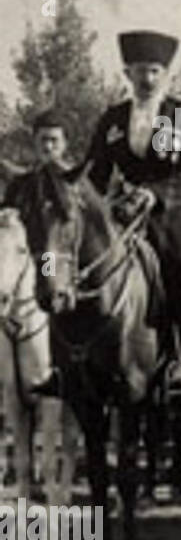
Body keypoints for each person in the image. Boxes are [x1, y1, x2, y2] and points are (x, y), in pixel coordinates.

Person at [83, 29, 181, 395]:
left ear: (165, 75)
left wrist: (155, 194)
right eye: (139, 71)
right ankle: (78, 357)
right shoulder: (113, 120)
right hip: (123, 213)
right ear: (127, 74)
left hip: (172, 210)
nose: (147, 79)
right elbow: (95, 173)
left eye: (154, 71)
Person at [0, 110, 78, 397]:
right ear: (35, 143)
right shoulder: (21, 184)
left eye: (54, 141)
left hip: (63, 262)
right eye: (43, 141)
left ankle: (57, 369)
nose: (48, 147)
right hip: (26, 263)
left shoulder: (74, 180)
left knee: (49, 286)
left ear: (64, 143)